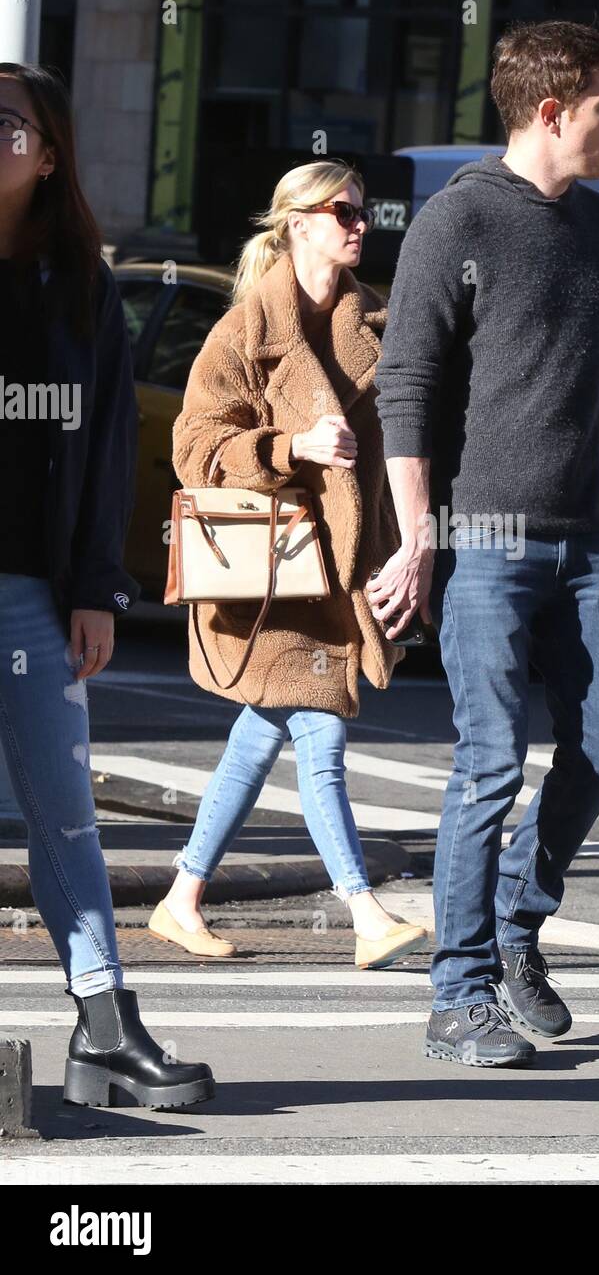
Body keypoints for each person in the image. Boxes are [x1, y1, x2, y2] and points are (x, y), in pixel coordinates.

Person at [371, 21, 599, 1066]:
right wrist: (416, 537)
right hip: (482, 538)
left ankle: (521, 923)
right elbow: (407, 384)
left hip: (588, 539)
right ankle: (458, 992)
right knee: (488, 761)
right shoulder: (459, 218)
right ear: (552, 111)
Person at [0, 61, 214, 1108]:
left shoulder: (81, 289)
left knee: (64, 815)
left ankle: (105, 1027)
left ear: (47, 155)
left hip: (31, 595)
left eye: (5, 125)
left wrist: (95, 587)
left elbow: (109, 453)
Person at [156, 160, 427, 970]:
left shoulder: (376, 322)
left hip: (342, 572)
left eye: (361, 212)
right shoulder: (242, 333)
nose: (359, 224)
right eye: (342, 211)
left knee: (261, 734)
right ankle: (365, 913)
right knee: (318, 732)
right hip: (274, 577)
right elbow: (195, 448)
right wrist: (289, 447)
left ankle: (180, 898)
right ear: (298, 223)